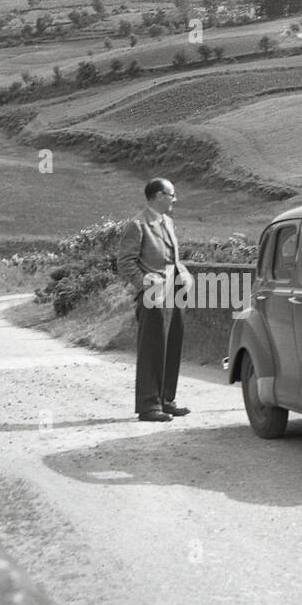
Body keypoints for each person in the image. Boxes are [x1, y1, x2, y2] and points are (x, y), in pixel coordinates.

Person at [117, 177, 192, 422]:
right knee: (152, 348)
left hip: (175, 290)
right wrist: (145, 285)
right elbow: (125, 262)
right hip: (153, 294)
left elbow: (172, 258)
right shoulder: (137, 225)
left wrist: (184, 274)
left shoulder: (168, 221)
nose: (174, 199)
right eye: (172, 195)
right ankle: (149, 407)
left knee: (172, 344)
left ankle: (166, 400)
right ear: (159, 195)